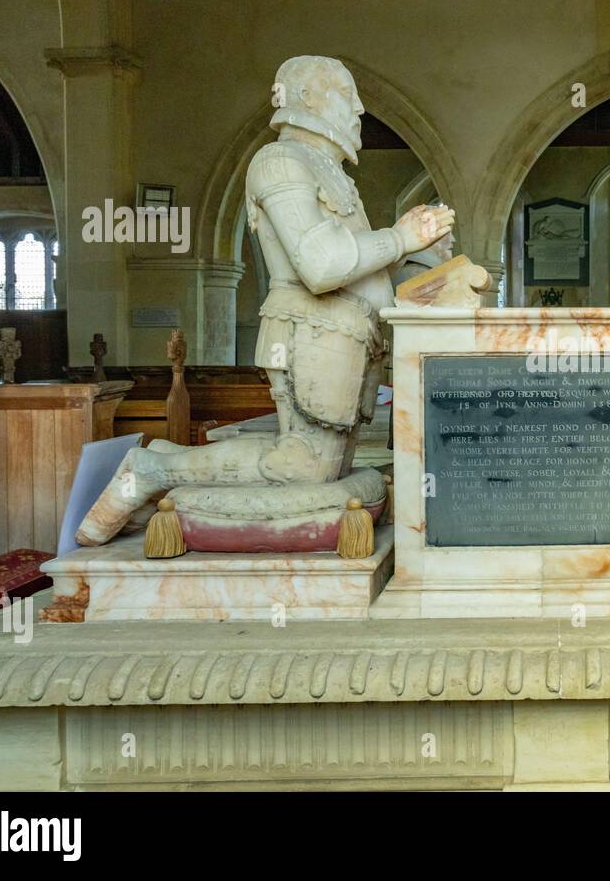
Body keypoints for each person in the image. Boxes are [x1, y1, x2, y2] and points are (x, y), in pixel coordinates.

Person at [76, 55, 453, 546]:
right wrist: (400, 237)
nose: (359, 106)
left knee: (325, 468)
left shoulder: (331, 172)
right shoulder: (281, 161)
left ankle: (167, 470)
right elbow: (321, 265)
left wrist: (424, 255)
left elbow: (362, 268)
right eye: (345, 92)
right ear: (305, 99)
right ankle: (151, 470)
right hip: (311, 334)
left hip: (348, 340)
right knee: (302, 469)